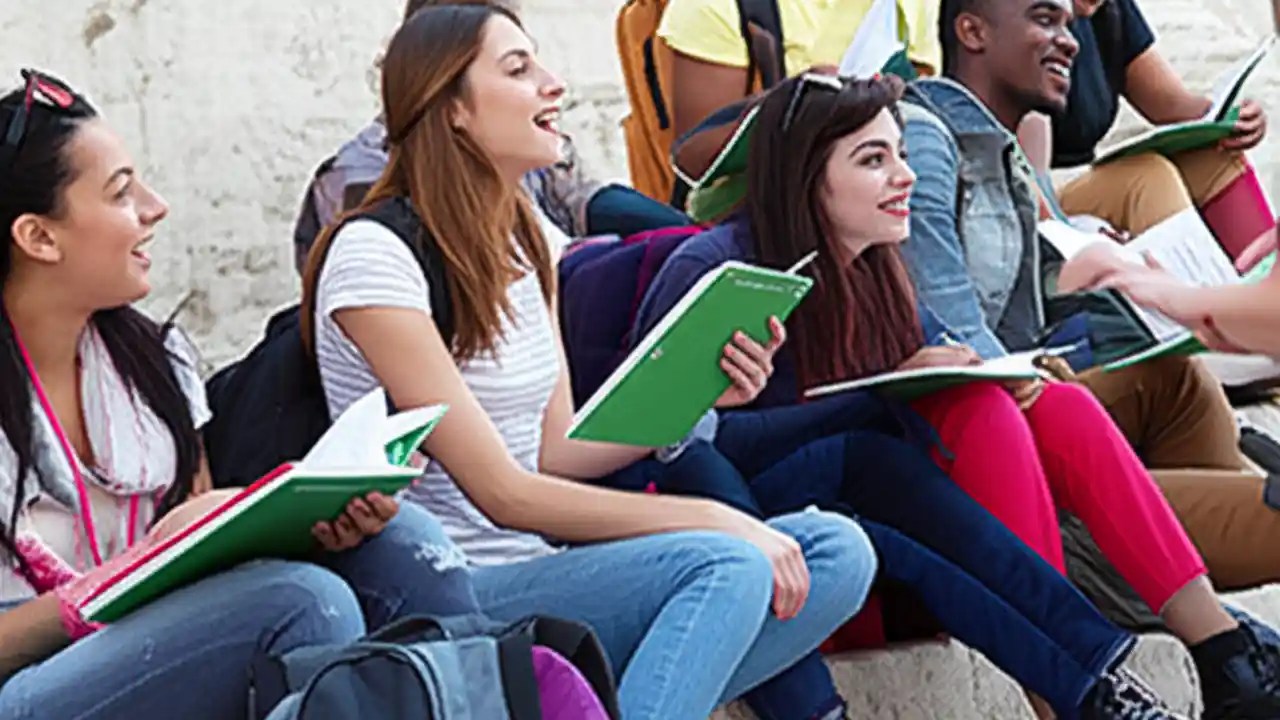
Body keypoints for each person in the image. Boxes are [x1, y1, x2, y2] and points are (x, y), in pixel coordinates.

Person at [301, 6, 875, 719]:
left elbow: (553, 448)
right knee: (726, 561)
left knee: (839, 554)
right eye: (518, 70)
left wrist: (701, 393)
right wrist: (713, 519)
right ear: (449, 106)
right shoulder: (373, 255)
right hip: (447, 584)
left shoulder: (524, 243)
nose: (555, 85)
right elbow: (503, 493)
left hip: (543, 564)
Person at [632, 72, 1203, 720]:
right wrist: (875, 395)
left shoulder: (880, 270)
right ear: (805, 176)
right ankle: (1093, 685)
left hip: (853, 504)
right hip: (733, 507)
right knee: (881, 481)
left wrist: (970, 369)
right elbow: (674, 447)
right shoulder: (717, 270)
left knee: (926, 466)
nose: (905, 175)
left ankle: (1102, 682)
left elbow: (933, 366)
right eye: (874, 160)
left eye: (900, 153)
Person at [0, 70, 483, 719]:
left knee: (401, 540)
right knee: (306, 602)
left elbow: (194, 531)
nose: (155, 206)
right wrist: (127, 574)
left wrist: (309, 522)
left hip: (154, 637)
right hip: (31, 684)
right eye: (120, 193)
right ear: (39, 237)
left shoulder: (156, 363)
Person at [899, 0, 1280, 597]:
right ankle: (1198, 610)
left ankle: (1204, 609)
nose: (1071, 38)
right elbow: (963, 341)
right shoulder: (925, 141)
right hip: (987, 442)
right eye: (1046, 19)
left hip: (1037, 399)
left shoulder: (1009, 144)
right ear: (971, 31)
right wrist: (1181, 300)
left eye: (1066, 22)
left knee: (1176, 377)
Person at [290, 0, 688, 274]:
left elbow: (583, 201)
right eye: (516, 68)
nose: (554, 85)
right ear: (444, 88)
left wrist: (690, 237)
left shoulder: (519, 149)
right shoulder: (362, 186)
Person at [1017, 0, 1274, 271]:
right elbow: (1021, 174)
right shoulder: (1012, 21)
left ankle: (1268, 289)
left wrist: (1232, 119)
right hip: (1020, 192)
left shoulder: (1108, 11)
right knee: (1147, 177)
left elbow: (1170, 105)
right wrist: (1071, 232)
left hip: (1072, 183)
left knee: (1213, 156)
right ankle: (1198, 301)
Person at [659, 0, 942, 183]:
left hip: (886, 215)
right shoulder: (718, 7)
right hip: (773, 232)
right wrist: (792, 103)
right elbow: (693, 162)